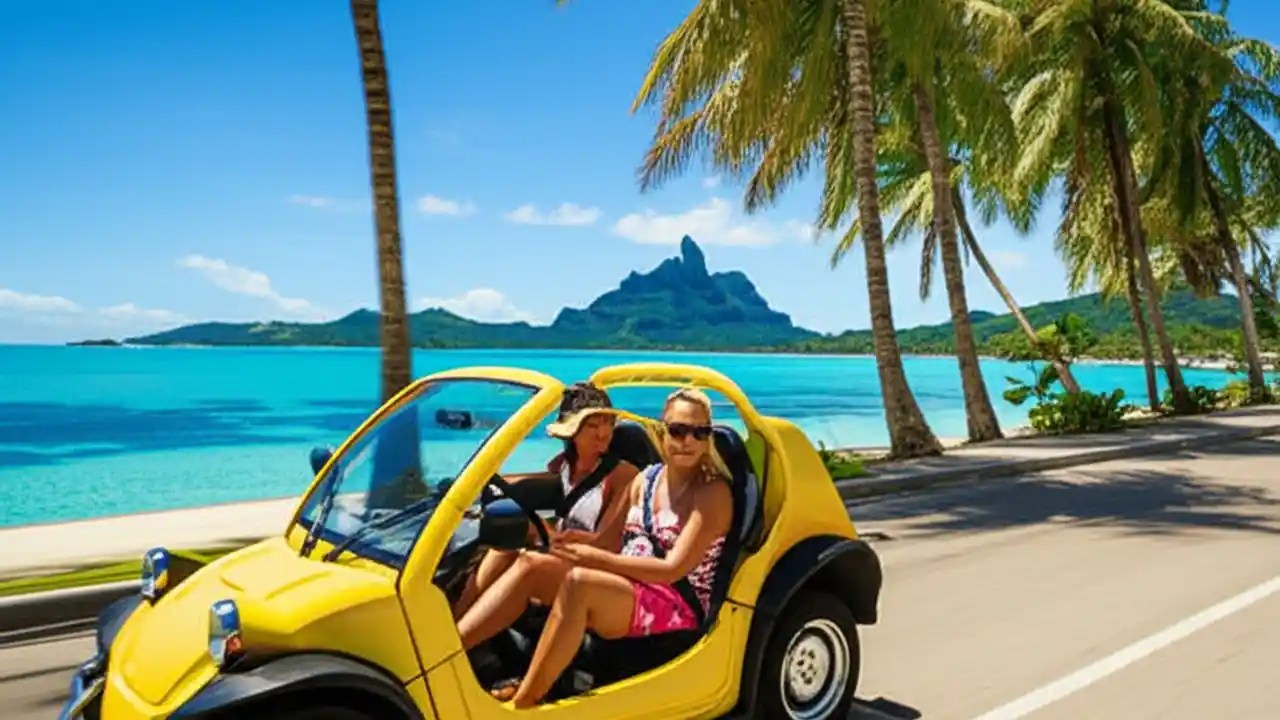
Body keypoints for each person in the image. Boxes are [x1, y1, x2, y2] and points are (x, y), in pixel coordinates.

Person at [455, 386, 733, 708]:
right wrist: (563, 542)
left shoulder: (712, 494)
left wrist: (593, 557)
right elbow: (609, 542)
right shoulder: (647, 480)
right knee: (531, 563)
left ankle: (524, 702)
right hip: (630, 583)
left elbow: (672, 570)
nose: (688, 441)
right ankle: (447, 654)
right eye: (679, 430)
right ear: (662, 430)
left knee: (579, 583)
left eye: (700, 432)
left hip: (674, 601)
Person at [451, 382, 637, 618]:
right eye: (592, 425)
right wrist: (474, 484)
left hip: (593, 563)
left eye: (608, 424)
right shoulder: (563, 465)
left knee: (519, 550)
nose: (603, 433)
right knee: (503, 543)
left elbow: (608, 544)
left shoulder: (623, 475)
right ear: (573, 430)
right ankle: (457, 622)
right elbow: (527, 485)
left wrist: (545, 533)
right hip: (561, 549)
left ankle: (458, 640)